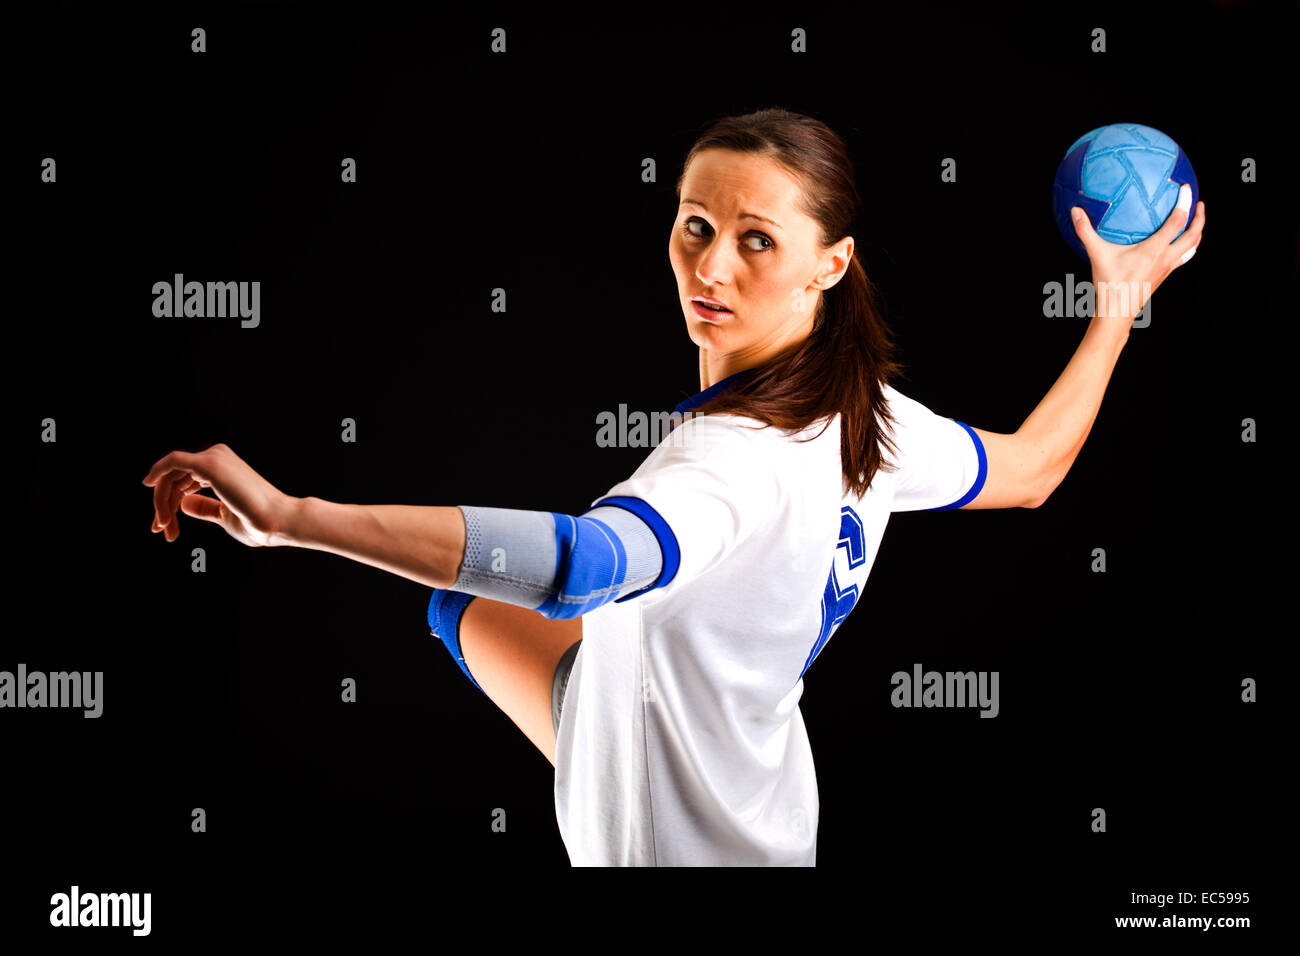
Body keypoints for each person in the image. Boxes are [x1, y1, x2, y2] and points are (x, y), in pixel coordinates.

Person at [141, 107, 1205, 866]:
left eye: (756, 240)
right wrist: (1116, 307)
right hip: (769, 809)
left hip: (660, 854)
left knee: (543, 601)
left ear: (827, 265)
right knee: (459, 603)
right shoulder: (870, 417)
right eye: (697, 224)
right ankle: (614, 726)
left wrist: (289, 519)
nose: (712, 266)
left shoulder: (723, 465)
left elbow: (580, 567)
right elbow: (1032, 471)